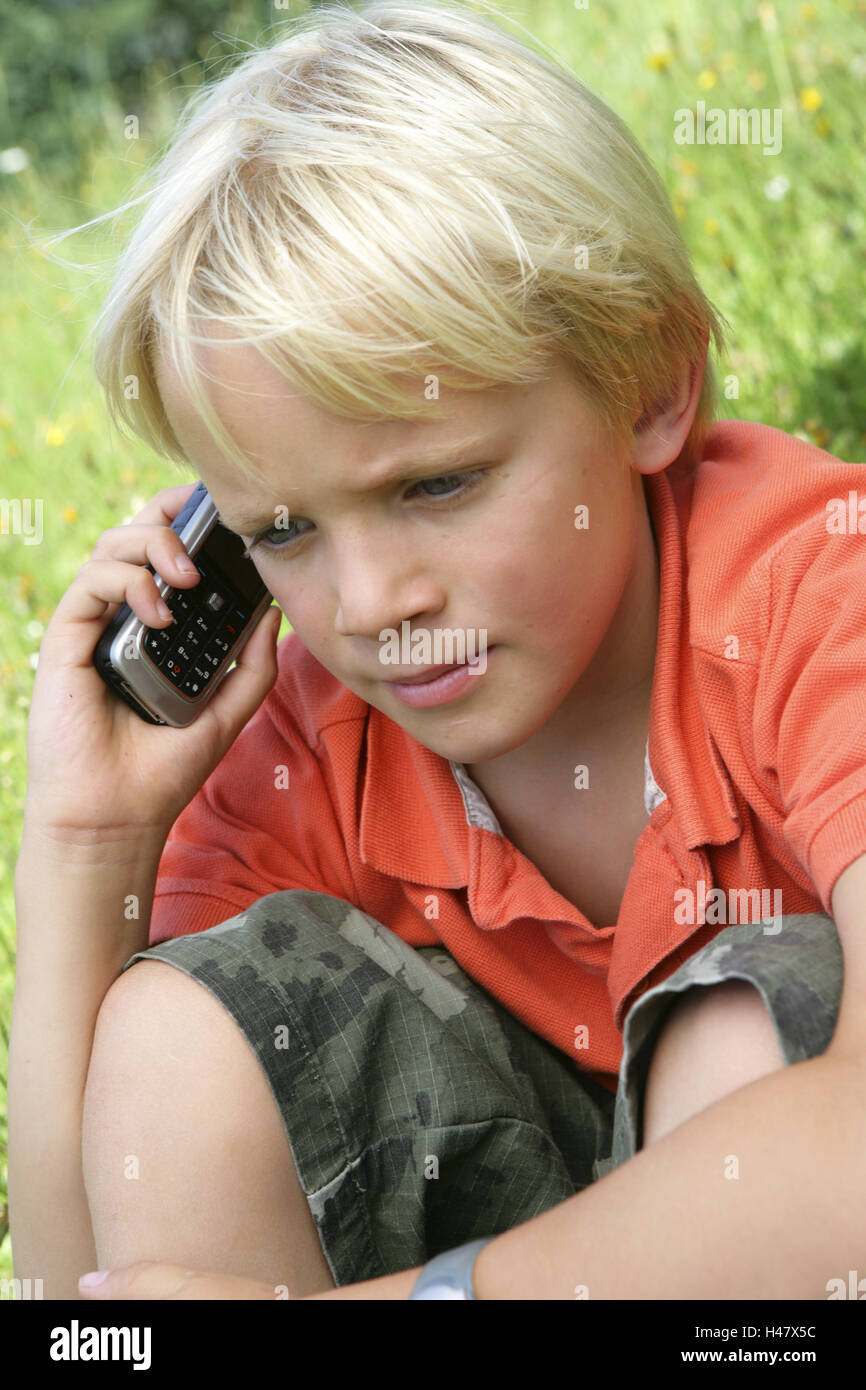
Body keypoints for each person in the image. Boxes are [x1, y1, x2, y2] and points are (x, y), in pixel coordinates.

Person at [9, 0, 866, 1302]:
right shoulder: (312, 750)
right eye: (284, 528)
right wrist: (88, 838)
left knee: (745, 1036)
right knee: (177, 1033)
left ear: (647, 384)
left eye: (435, 485)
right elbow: (98, 1305)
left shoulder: (814, 583)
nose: (366, 602)